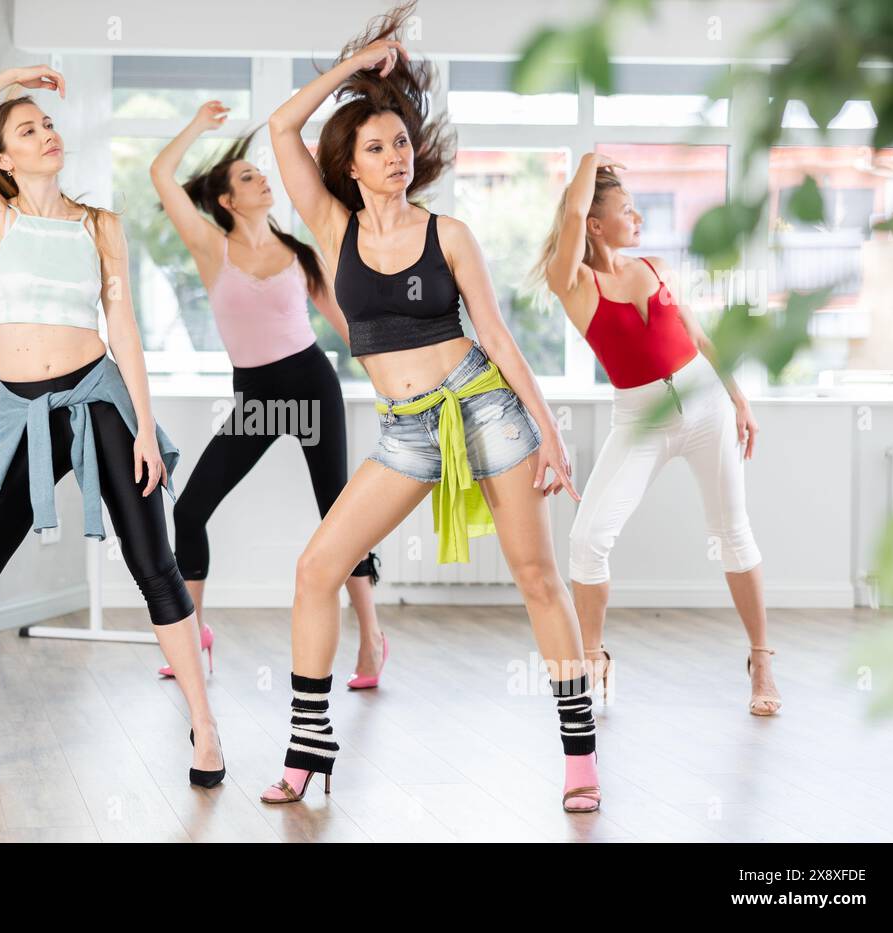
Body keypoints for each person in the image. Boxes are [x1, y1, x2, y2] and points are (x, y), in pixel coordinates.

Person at [261, 1, 601, 812]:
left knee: (536, 578)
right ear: (348, 162)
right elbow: (280, 129)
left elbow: (501, 338)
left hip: (483, 406)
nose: (394, 157)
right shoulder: (331, 226)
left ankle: (581, 757)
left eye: (402, 144)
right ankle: (311, 742)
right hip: (405, 431)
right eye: (375, 147)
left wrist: (550, 435)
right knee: (316, 568)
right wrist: (355, 67)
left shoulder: (449, 235)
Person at [0, 65, 225, 786]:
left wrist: (146, 429)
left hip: (99, 398)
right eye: (29, 129)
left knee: (154, 562)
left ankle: (205, 723)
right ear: (2, 158)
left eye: (49, 123)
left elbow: (123, 326)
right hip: (20, 412)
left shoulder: (100, 226)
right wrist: (9, 81)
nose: (47, 134)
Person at [534, 152, 781, 717]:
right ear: (595, 224)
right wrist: (591, 157)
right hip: (640, 418)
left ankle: (762, 660)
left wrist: (740, 399)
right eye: (627, 209)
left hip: (705, 405)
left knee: (732, 532)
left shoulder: (655, 267)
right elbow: (571, 214)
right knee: (588, 539)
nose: (639, 218)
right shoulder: (572, 280)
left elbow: (698, 333)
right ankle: (593, 656)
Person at [149, 105, 385, 687]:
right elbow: (160, 173)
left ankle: (373, 641)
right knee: (190, 508)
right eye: (249, 178)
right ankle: (192, 636)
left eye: (262, 174)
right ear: (228, 201)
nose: (263, 180)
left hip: (311, 385)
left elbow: (350, 327)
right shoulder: (211, 247)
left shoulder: (300, 254)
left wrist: (399, 382)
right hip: (255, 398)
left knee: (337, 513)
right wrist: (198, 124)